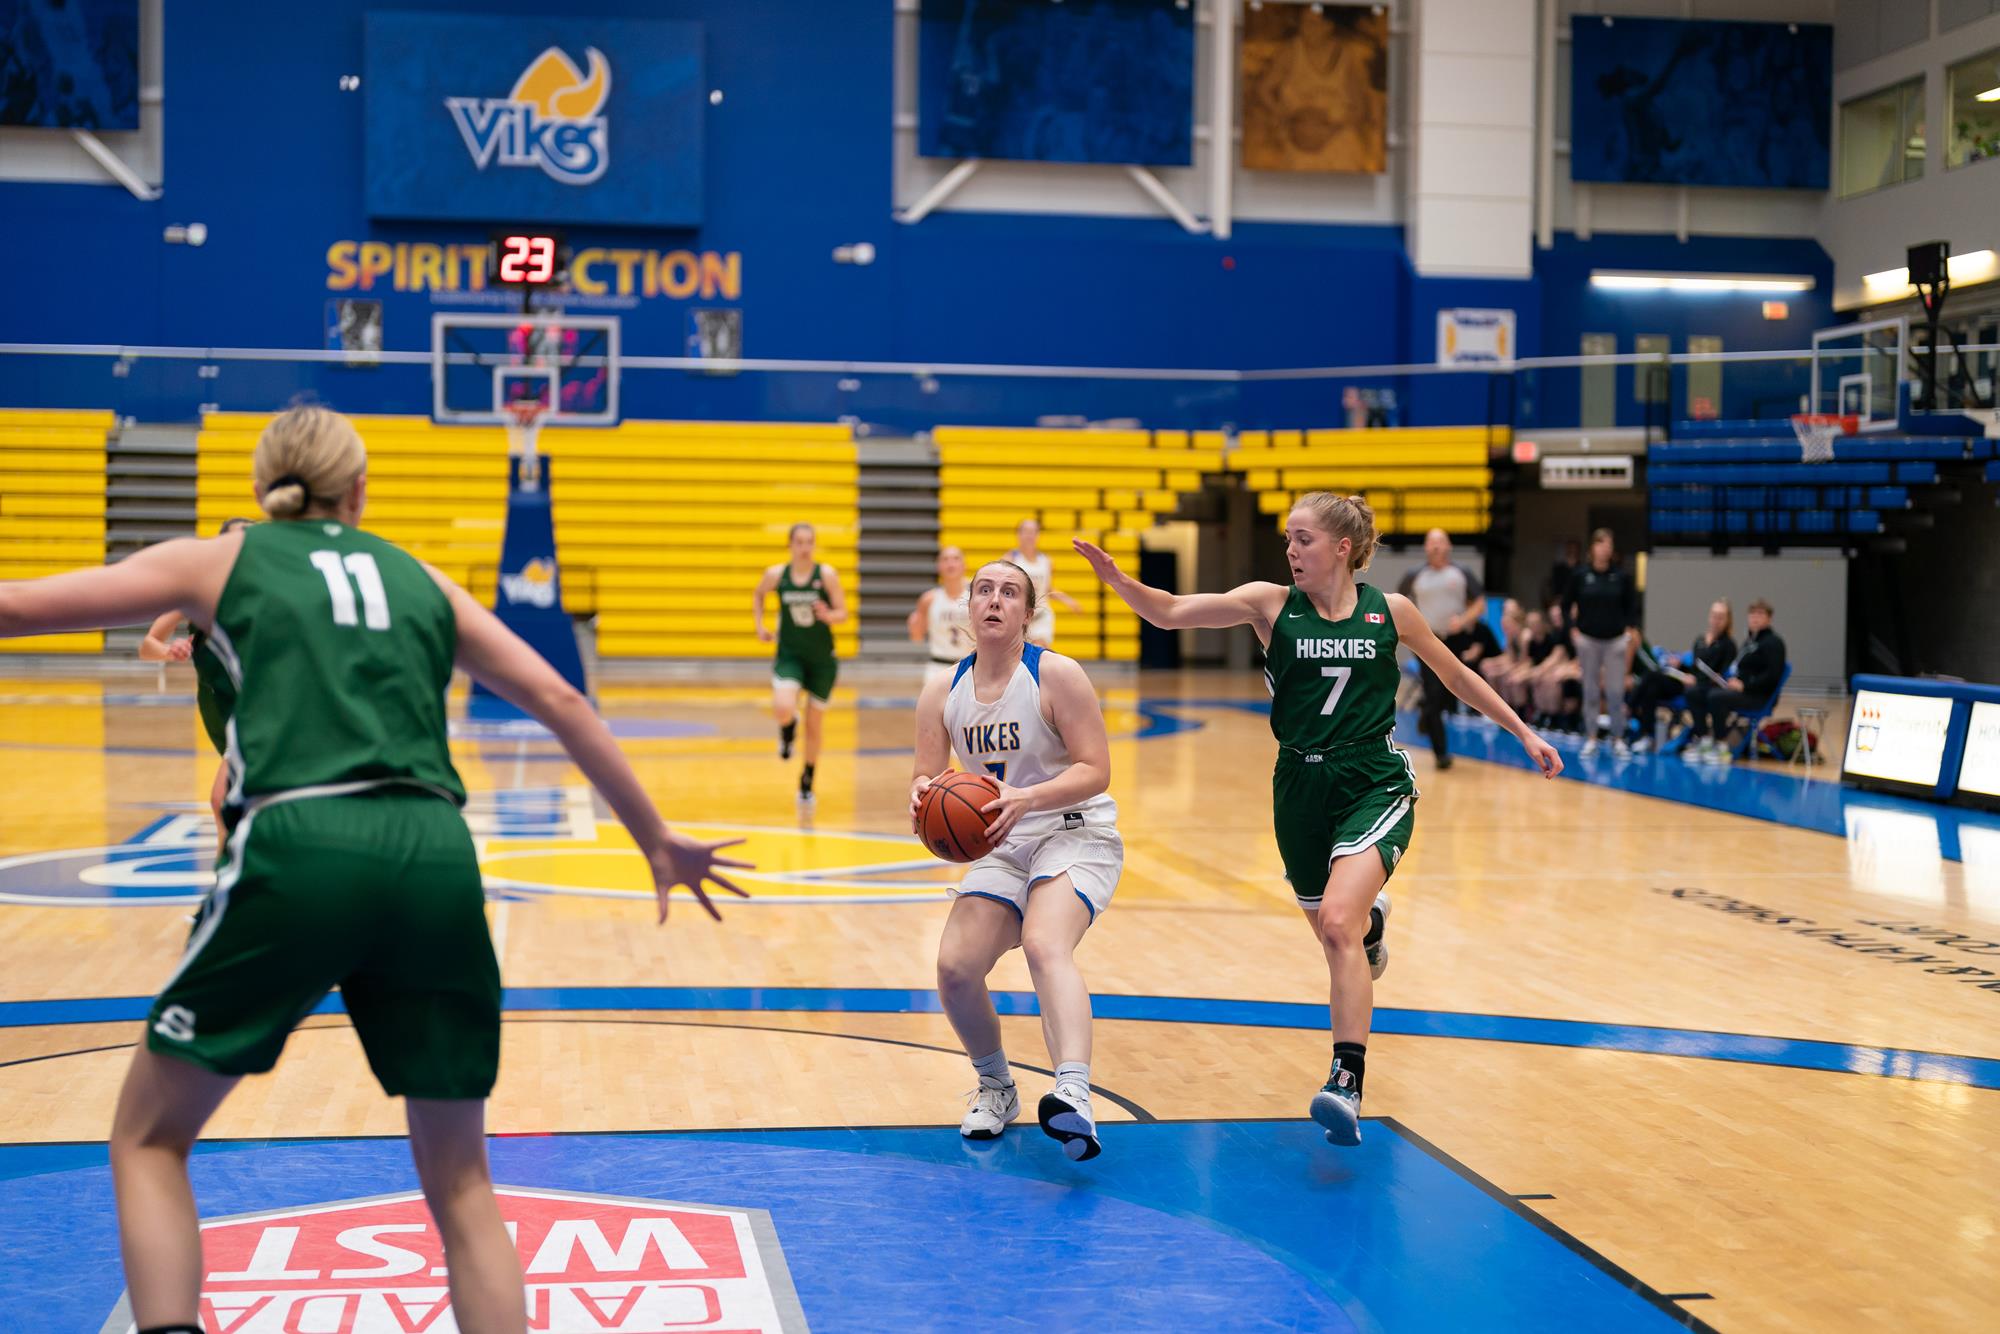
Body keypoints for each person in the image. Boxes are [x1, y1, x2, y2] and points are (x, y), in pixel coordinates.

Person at [0, 405, 750, 1334]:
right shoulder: (420, 576)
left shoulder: (216, 560)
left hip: (301, 839)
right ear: (360, 490)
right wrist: (657, 841)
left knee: (148, 1139)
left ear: (262, 487)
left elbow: (18, 607)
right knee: (465, 1184)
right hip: (434, 853)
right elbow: (558, 696)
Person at [1076, 493, 1559, 1148]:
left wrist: (1525, 734)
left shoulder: (1393, 612)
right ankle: (1372, 928)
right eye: (1286, 540)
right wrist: (1119, 581)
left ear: (1340, 548)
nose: (1290, 551)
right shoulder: (1270, 605)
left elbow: (1456, 676)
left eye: (1302, 539)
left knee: (1336, 923)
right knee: (1339, 933)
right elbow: (1168, 614)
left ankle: (1345, 1082)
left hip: (1373, 778)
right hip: (1298, 787)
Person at [911, 559, 1122, 1162]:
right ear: (968, 609)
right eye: (984, 591)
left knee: (1043, 944)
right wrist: (922, 797)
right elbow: (927, 777)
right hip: (1002, 842)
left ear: (1028, 613)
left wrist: (1027, 796)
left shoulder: (1057, 675)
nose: (994, 601)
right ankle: (997, 1086)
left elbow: (1096, 770)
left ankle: (1075, 1093)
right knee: (954, 967)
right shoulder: (941, 691)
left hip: (1073, 829)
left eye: (1010, 593)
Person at [139, 517, 253, 855]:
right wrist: (169, 651)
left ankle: (229, 888)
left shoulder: (265, 599)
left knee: (222, 800)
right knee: (238, 806)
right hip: (221, 716)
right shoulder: (197, 595)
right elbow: (147, 647)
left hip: (255, 714)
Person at [754, 523, 848, 801]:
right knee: (783, 707)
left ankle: (807, 778)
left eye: (810, 542)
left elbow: (842, 613)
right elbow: (758, 594)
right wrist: (760, 625)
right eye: (800, 542)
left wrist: (828, 614)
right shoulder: (776, 574)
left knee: (814, 725)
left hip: (821, 659)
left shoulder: (826, 574)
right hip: (790, 655)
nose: (805, 547)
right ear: (790, 545)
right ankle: (787, 727)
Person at [1395, 528, 1486, 771]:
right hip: (1427, 640)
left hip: (1456, 640)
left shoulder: (1461, 572)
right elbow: (1396, 600)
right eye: (1430, 543)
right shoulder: (1415, 575)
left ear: (1448, 546)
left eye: (1440, 543)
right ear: (1425, 547)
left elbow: (1480, 604)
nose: (1435, 547)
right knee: (1434, 693)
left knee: (1451, 689)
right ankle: (1441, 754)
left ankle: (1426, 713)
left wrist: (1465, 620)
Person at [1563, 528, 1640, 758]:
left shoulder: (1621, 576)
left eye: (1609, 544)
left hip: (1615, 640)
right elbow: (1565, 605)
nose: (1605, 548)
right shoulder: (1580, 575)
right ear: (1593, 548)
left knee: (1615, 692)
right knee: (1590, 691)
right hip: (1588, 640)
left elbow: (1632, 606)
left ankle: (1618, 738)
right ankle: (1591, 738)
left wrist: (1629, 628)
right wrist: (1572, 630)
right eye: (1601, 543)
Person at [1688, 597, 1787, 765]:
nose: (1755, 618)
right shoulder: (1750, 642)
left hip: (1758, 696)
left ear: (1769, 618)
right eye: (1752, 614)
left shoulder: (1773, 643)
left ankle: (1721, 744)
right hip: (1741, 690)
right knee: (1695, 693)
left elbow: (1772, 676)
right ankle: (1704, 739)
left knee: (1716, 696)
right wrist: (1732, 680)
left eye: (1760, 614)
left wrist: (1744, 685)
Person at [1631, 599, 1735, 755]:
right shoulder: (1700, 640)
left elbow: (1720, 674)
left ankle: (1629, 708)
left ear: (1727, 620)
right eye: (1714, 615)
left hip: (1702, 686)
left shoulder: (1728, 645)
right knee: (1652, 682)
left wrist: (1698, 680)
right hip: (1686, 680)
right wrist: (1680, 665)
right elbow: (1694, 666)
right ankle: (1648, 735)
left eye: (1721, 616)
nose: (1716, 620)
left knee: (1653, 678)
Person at [1004, 518, 1080, 649]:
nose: (1030, 535)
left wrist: (1068, 600)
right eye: (1026, 531)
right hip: (1018, 616)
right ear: (1018, 534)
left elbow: (1048, 588)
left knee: (1040, 649)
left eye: (1034, 532)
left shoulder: (1046, 561)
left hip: (1041, 613)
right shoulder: (1010, 559)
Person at [907, 544, 973, 684]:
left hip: (969, 666)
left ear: (964, 565)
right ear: (938, 566)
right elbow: (917, 637)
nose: (950, 563)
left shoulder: (975, 596)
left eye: (955, 559)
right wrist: (913, 625)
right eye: (945, 559)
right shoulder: (928, 599)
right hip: (937, 667)